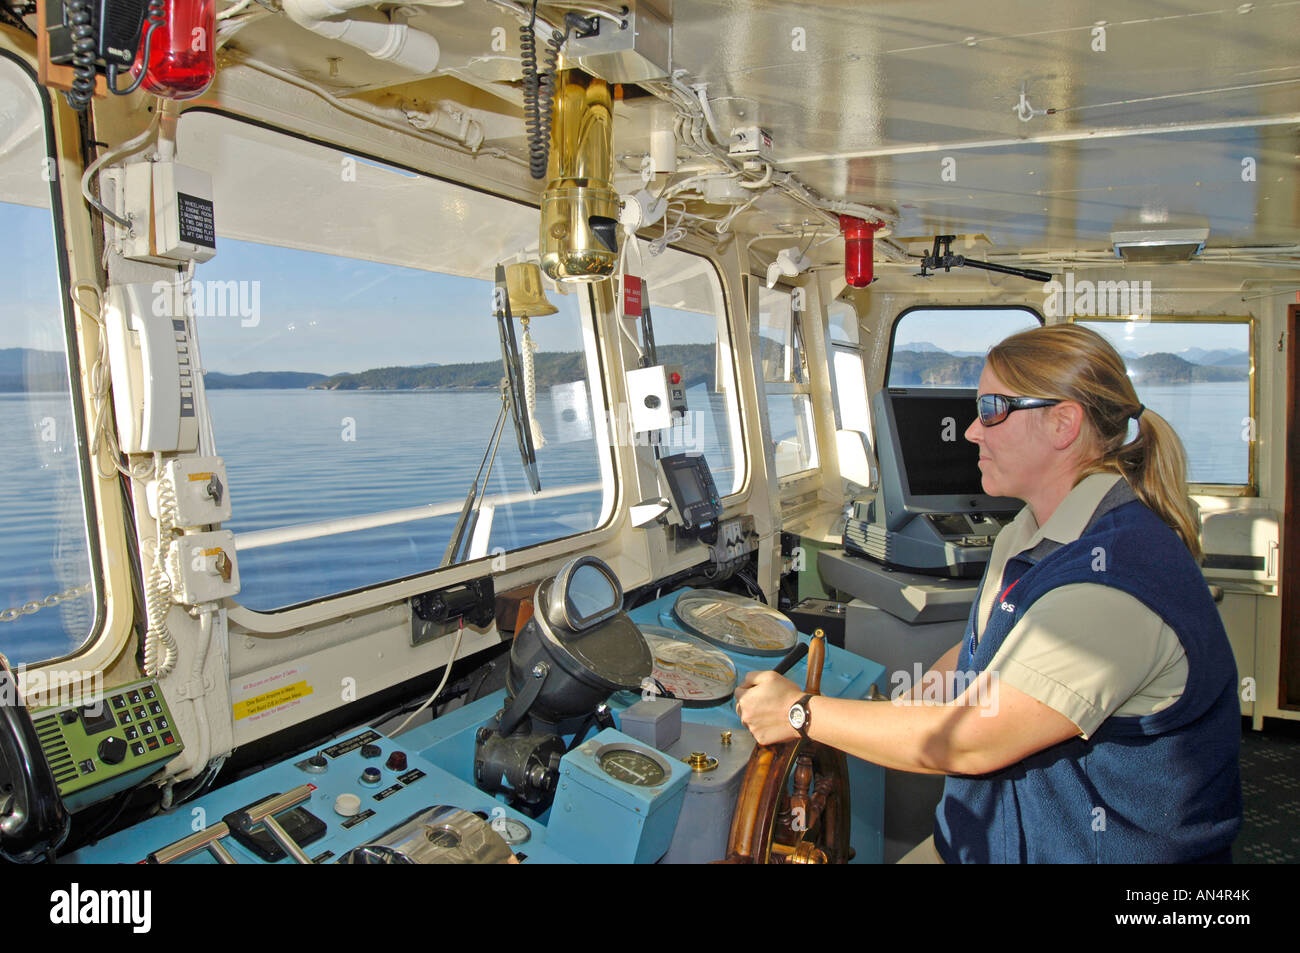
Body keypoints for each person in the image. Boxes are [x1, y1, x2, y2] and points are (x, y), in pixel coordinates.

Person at [734, 323, 1242, 863]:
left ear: (1064, 422)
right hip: (985, 838)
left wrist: (800, 714)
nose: (972, 431)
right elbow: (987, 645)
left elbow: (972, 740)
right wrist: (915, 699)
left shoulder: (1111, 582)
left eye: (994, 409)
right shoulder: (1028, 530)